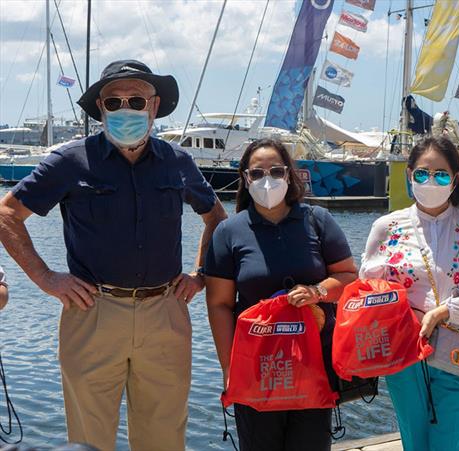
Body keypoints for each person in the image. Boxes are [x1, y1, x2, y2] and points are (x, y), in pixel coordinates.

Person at [0, 60, 227, 450]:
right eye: (113, 101)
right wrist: (46, 279)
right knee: (89, 438)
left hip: (165, 312)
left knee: (164, 436)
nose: (125, 109)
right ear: (100, 109)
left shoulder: (177, 161)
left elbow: (217, 219)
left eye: (136, 100)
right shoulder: (69, 161)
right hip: (92, 311)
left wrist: (200, 274)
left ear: (154, 106)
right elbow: (7, 214)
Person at [204, 138, 357, 451]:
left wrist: (317, 291)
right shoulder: (228, 232)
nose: (267, 179)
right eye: (257, 173)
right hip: (255, 367)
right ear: (245, 179)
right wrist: (229, 368)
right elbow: (219, 304)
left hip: (314, 364)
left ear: (289, 174)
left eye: (275, 171)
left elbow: (349, 278)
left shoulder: (317, 220)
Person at [359, 136, 459, 451]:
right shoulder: (387, 227)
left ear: (455, 178)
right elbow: (368, 290)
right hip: (404, 348)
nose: (430, 181)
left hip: (458, 340)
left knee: (452, 437)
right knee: (414, 438)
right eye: (422, 174)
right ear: (409, 175)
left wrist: (446, 311)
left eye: (440, 175)